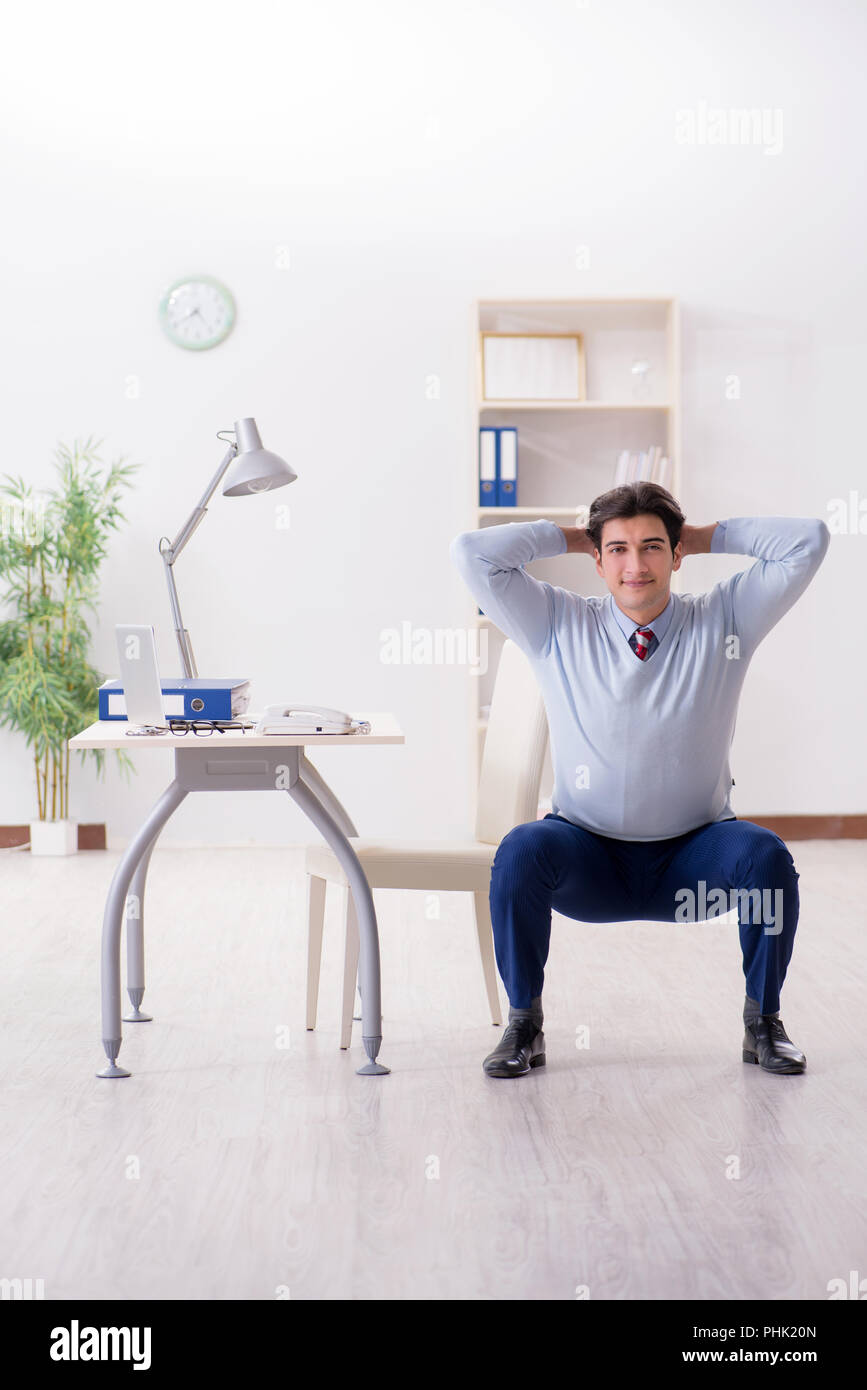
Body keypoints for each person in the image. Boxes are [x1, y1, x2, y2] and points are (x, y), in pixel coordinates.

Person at [449, 482, 830, 1079]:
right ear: (596, 561)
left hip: (692, 862)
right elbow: (471, 553)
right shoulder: (554, 622)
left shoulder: (726, 618)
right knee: (521, 849)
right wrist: (575, 536)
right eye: (618, 550)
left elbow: (808, 541)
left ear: (677, 556)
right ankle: (524, 1023)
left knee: (766, 857)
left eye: (653, 547)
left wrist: (701, 536)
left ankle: (763, 1026)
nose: (636, 565)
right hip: (588, 859)